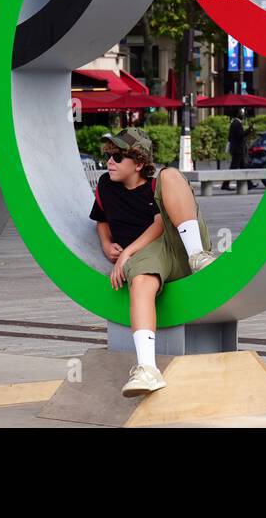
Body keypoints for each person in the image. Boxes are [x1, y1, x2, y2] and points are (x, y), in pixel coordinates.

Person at [90, 127, 216, 396]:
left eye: (118, 156)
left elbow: (160, 224)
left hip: (178, 243)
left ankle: (198, 256)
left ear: (138, 162)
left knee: (171, 174)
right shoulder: (105, 185)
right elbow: (100, 218)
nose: (110, 161)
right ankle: (147, 369)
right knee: (140, 281)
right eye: (108, 156)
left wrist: (126, 253)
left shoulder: (154, 186)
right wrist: (105, 243)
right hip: (152, 257)